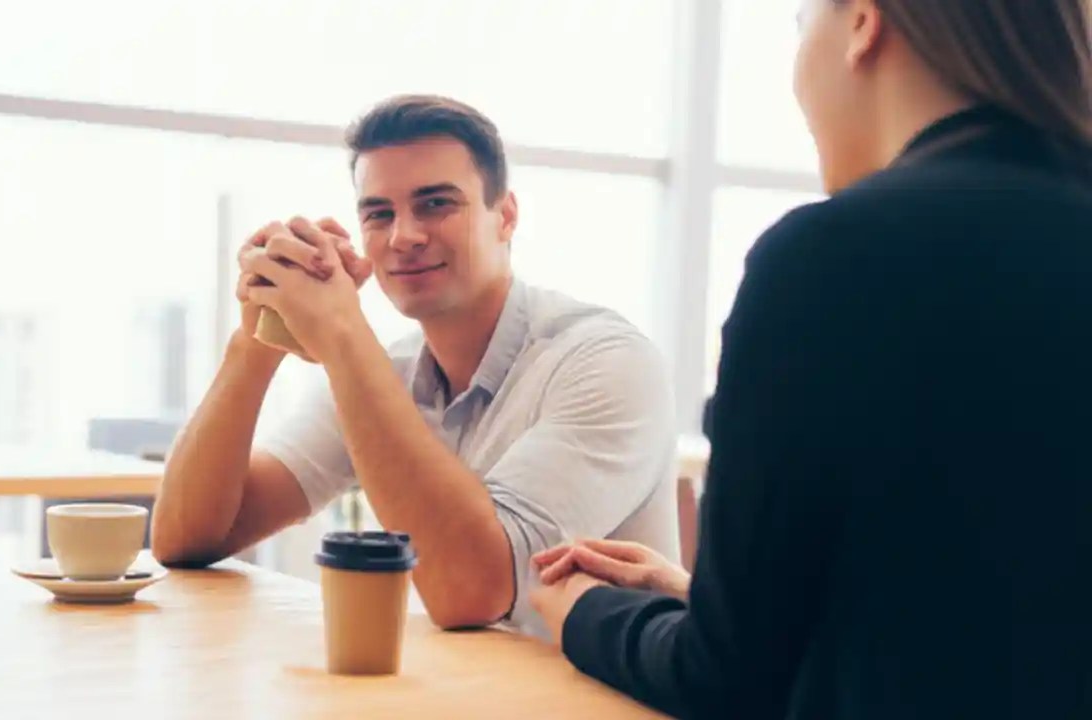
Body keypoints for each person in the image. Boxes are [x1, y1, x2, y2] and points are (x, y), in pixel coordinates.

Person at [531, 0, 1092, 717]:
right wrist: (702, 598)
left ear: (862, 22)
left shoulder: (832, 261)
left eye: (800, 24)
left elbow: (727, 683)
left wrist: (584, 611)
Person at [151, 95, 679, 638]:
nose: (403, 236)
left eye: (435, 204)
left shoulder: (608, 362)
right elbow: (187, 537)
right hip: (464, 693)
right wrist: (259, 335)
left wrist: (341, 332)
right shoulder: (390, 370)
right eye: (379, 214)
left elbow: (474, 591)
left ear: (507, 217)